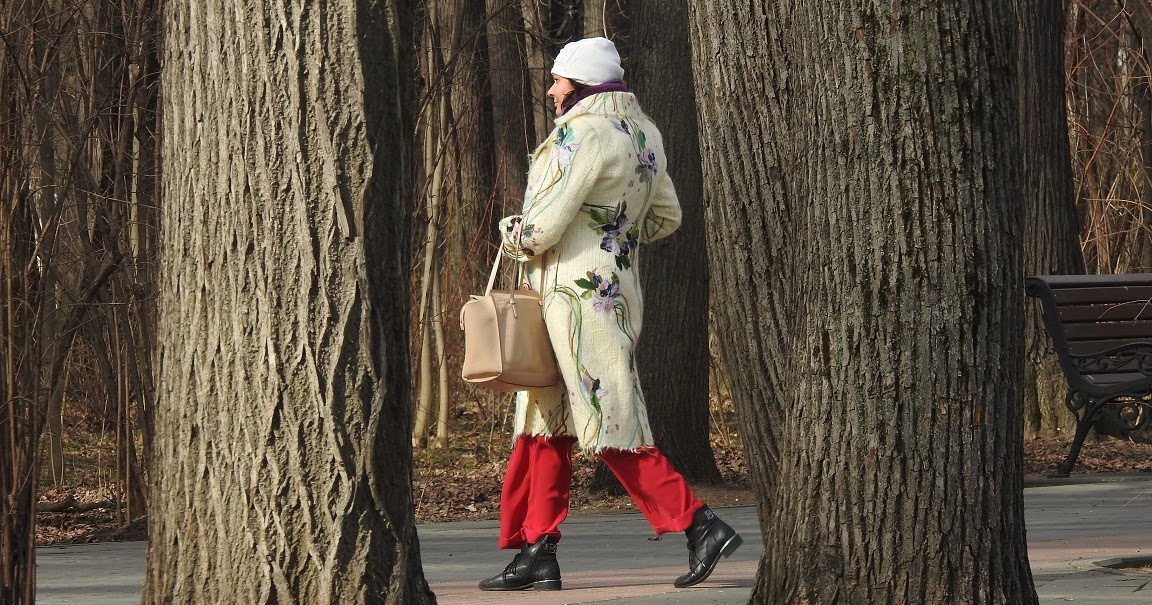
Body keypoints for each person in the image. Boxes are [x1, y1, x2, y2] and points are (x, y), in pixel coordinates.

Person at [478, 36, 742, 592]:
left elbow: (539, 230)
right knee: (549, 417)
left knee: (607, 417)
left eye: (560, 80)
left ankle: (699, 524)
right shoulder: (642, 131)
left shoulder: (582, 133)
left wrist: (511, 231)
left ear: (584, 84)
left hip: (572, 299)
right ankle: (537, 550)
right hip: (613, 289)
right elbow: (665, 216)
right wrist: (612, 234)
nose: (552, 91)